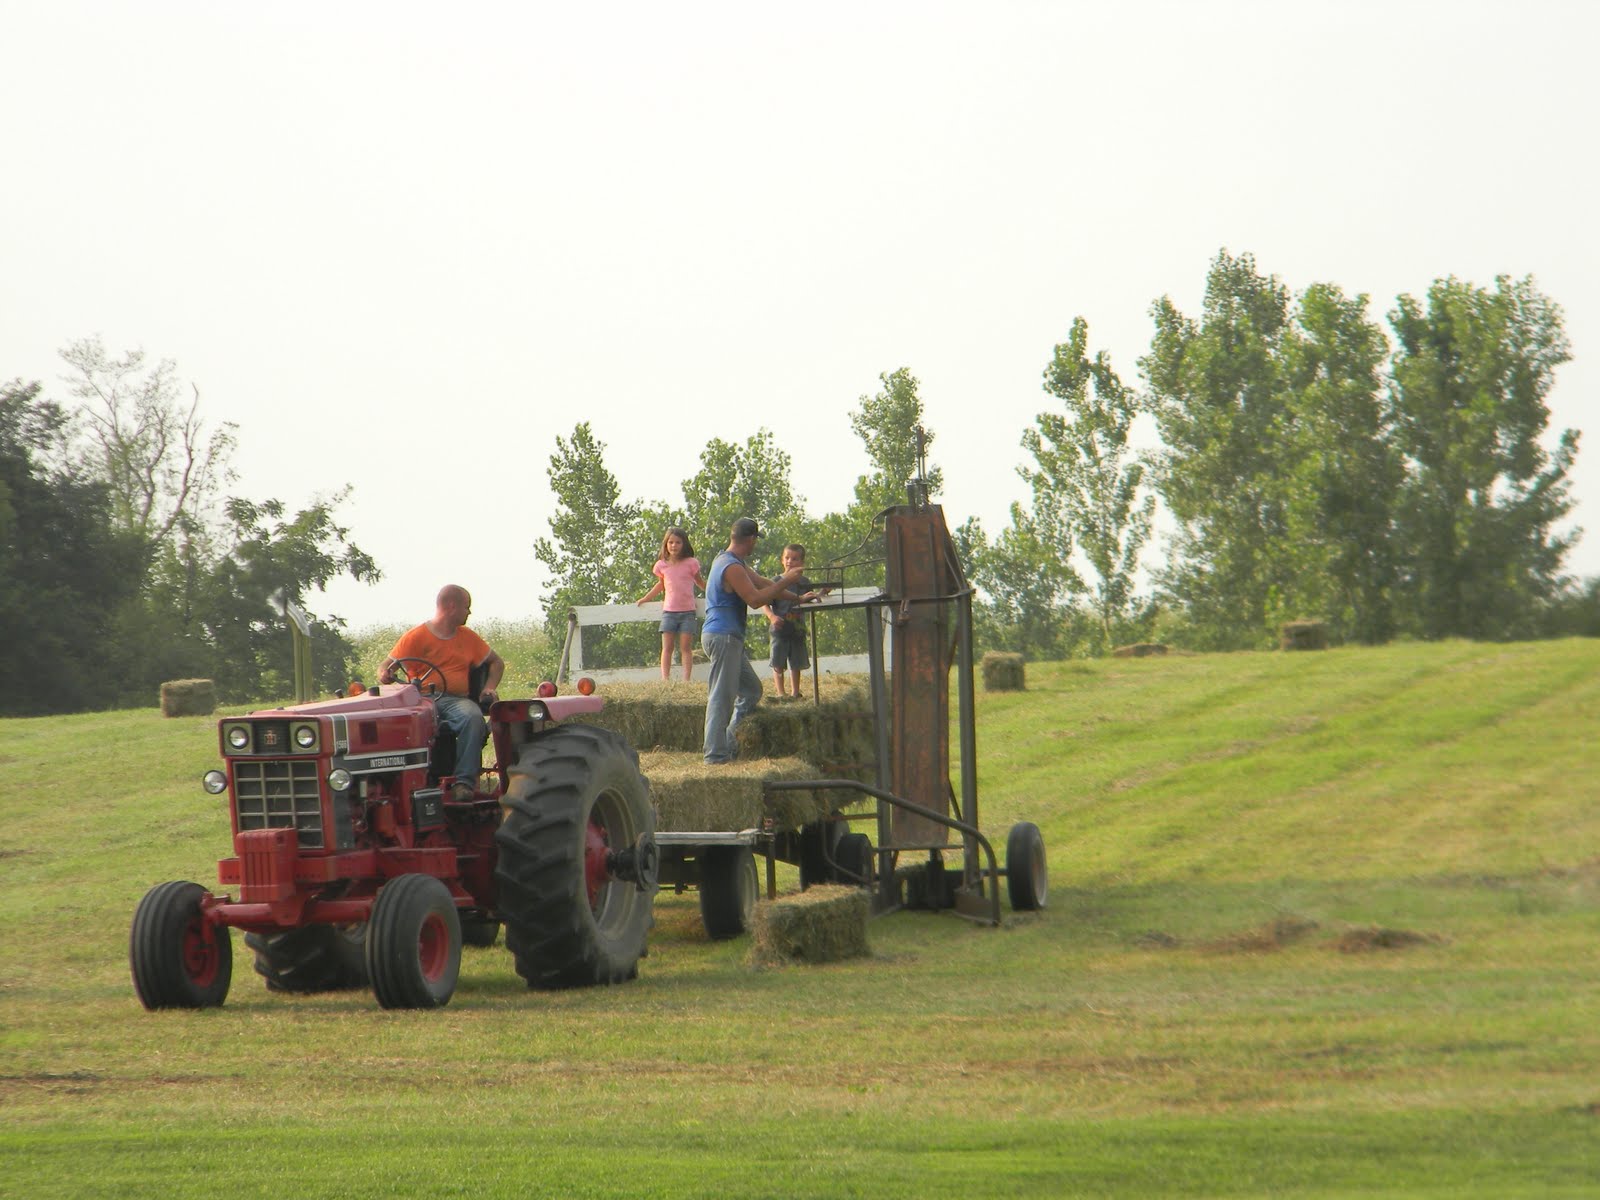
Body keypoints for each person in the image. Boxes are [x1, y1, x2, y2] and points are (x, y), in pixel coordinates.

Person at [376, 584, 505, 801]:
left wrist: (489, 688)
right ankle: (407, 782)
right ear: (452, 606)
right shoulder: (415, 637)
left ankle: (463, 783)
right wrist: (385, 674)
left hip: (455, 701)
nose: (469, 613)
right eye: (467, 607)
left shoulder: (468, 638)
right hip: (423, 699)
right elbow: (385, 667)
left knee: (472, 717)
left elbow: (496, 663)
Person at [701, 518, 810, 764]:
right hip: (723, 636)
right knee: (722, 696)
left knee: (751, 690)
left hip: (728, 637)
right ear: (750, 539)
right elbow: (755, 599)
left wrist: (798, 598)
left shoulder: (731, 561)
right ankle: (715, 755)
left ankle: (728, 744)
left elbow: (765, 584)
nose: (754, 546)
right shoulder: (732, 567)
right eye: (754, 541)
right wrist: (788, 580)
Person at [636, 526, 706, 682]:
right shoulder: (662, 565)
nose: (674, 546)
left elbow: (700, 583)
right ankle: (665, 679)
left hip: (688, 612)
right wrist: (646, 598)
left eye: (678, 542)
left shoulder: (691, 563)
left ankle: (686, 680)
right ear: (666, 545)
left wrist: (716, 591)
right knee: (667, 648)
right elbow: (660, 585)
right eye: (671, 542)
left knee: (686, 648)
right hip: (669, 612)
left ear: (684, 544)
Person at [763, 543, 825, 699]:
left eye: (795, 559)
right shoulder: (775, 581)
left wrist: (821, 593)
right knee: (778, 662)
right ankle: (781, 693)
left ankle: (795, 692)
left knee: (796, 662)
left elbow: (809, 599)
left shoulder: (804, 582)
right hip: (780, 629)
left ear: (802, 563)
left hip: (797, 629)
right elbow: (765, 602)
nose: (790, 561)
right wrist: (772, 617)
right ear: (781, 560)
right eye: (787, 558)